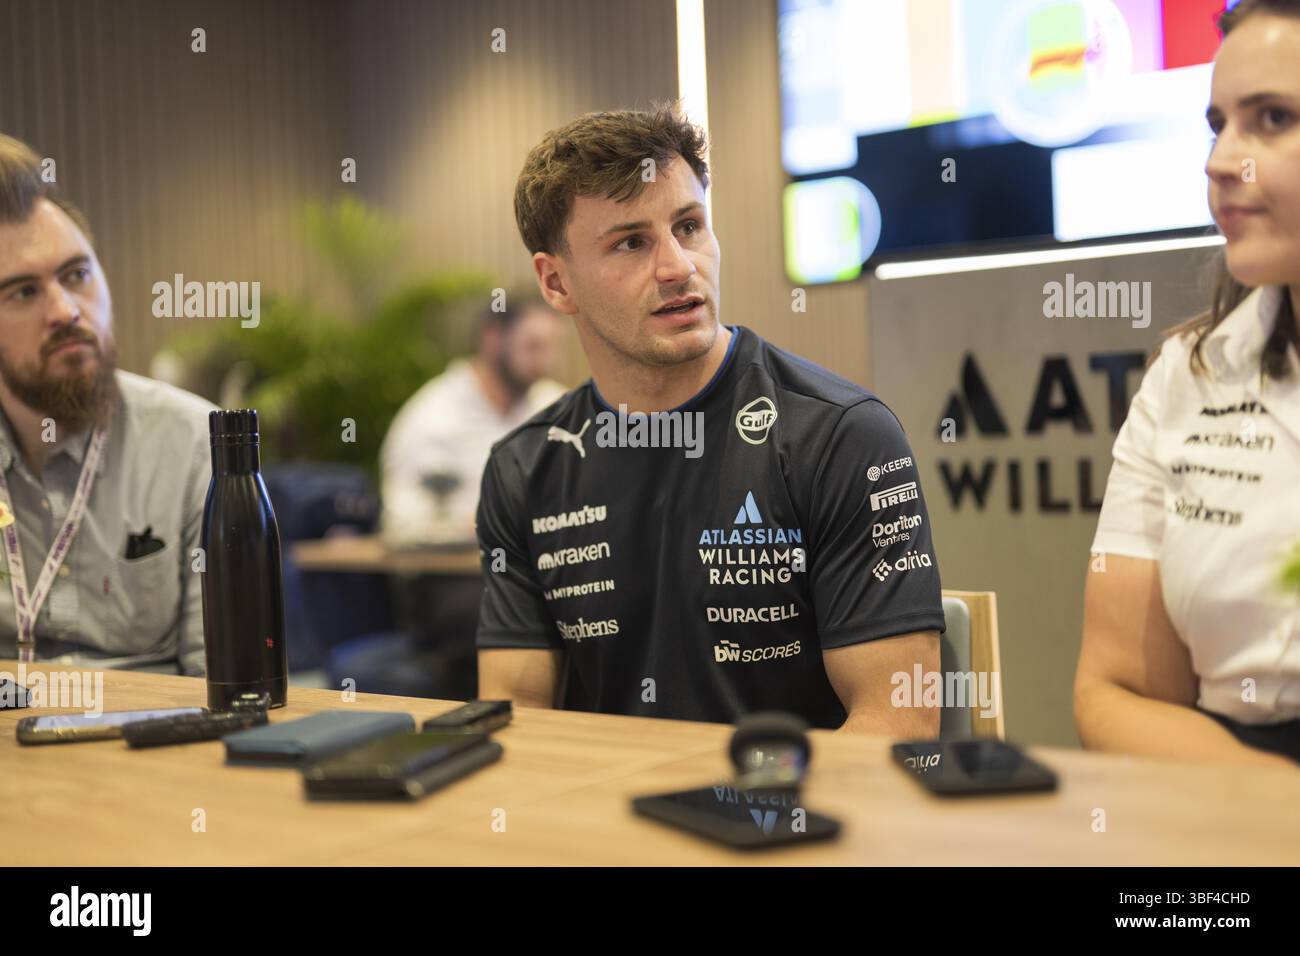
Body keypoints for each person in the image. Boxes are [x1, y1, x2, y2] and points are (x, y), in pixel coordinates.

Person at [475, 104, 944, 733]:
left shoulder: (840, 436)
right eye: (631, 242)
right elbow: (518, 718)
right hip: (599, 819)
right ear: (557, 283)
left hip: (787, 816)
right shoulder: (523, 468)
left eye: (689, 226)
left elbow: (898, 725)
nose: (677, 267)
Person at [1076, 0, 1300, 767]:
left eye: (1271, 118)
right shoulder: (1188, 373)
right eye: (1218, 124)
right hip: (1229, 807)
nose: (1220, 161)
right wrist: (1272, 803)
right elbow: (1113, 694)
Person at [0, 134, 215, 674]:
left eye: (77, 275)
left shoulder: (196, 443)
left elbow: (226, 687)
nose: (66, 311)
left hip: (152, 746)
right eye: (24, 292)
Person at [379, 292, 564, 545]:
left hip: (548, 567)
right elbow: (404, 526)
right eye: (533, 347)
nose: (544, 362)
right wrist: (476, 526)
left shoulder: (554, 405)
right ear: (493, 339)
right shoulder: (432, 417)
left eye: (551, 347)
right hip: (461, 573)